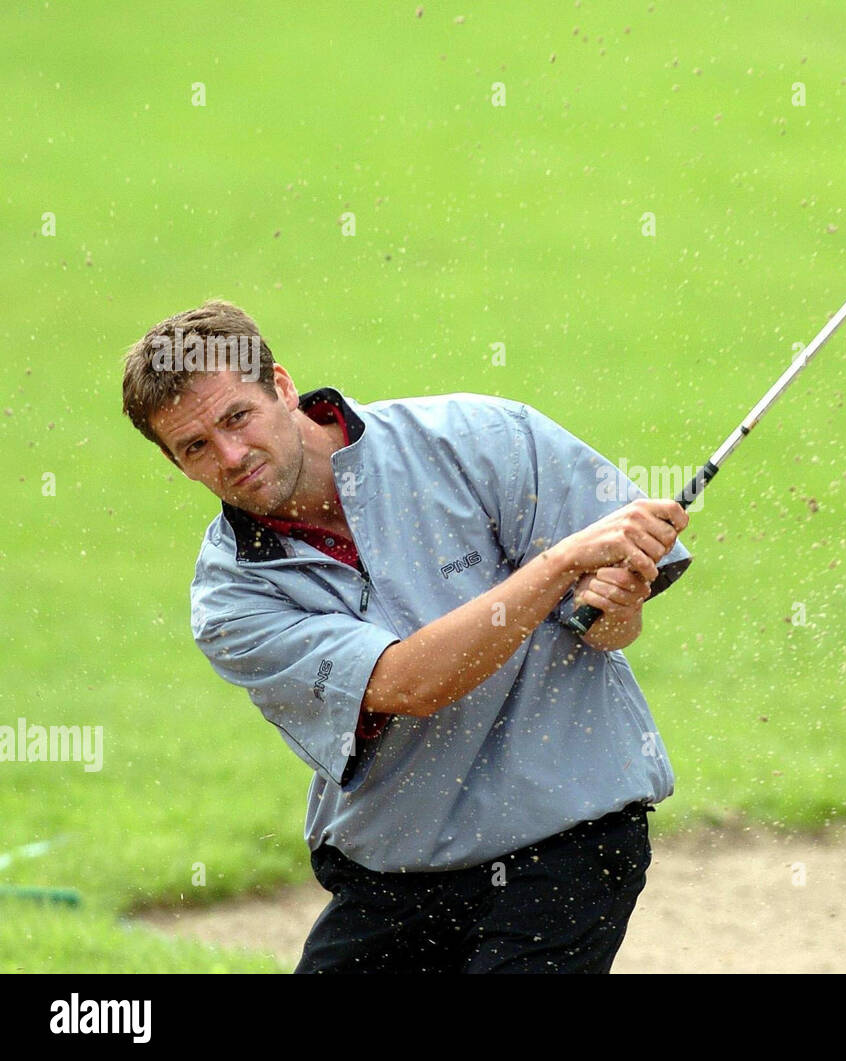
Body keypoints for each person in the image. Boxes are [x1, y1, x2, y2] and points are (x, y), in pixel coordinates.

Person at [121, 299, 691, 973]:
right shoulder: (231, 599)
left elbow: (608, 625)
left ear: (280, 385)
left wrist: (614, 607)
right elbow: (412, 684)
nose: (232, 455)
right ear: (175, 463)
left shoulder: (477, 437)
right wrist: (563, 561)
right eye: (196, 447)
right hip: (396, 872)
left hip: (570, 839)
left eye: (236, 417)